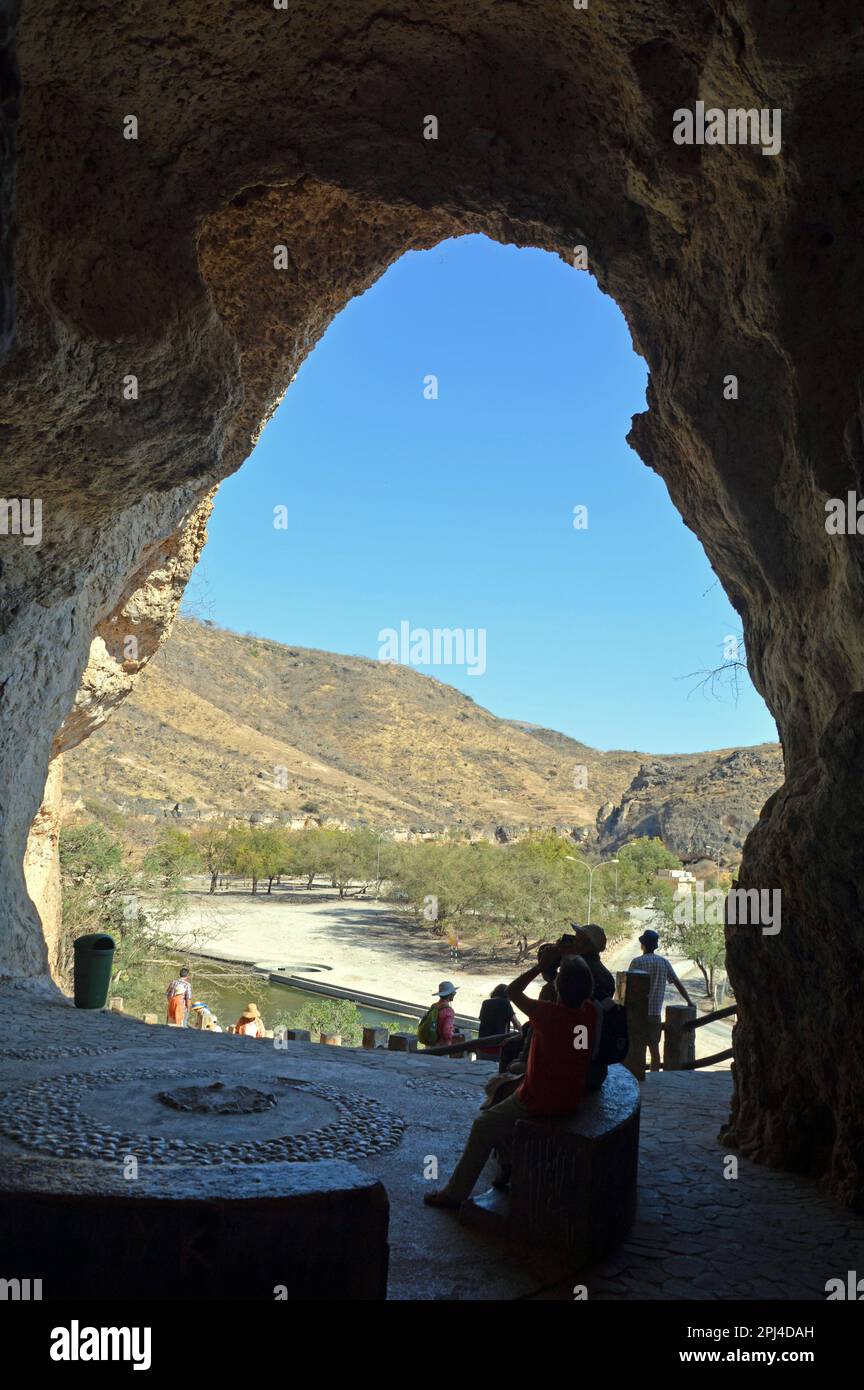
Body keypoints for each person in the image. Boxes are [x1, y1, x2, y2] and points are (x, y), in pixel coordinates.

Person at [424, 950, 597, 1209]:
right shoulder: (589, 1014)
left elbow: (514, 991)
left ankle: (455, 1193)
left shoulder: (546, 1014)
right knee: (502, 1091)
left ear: (558, 986)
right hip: (570, 1096)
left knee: (484, 1123)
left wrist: (541, 967)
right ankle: (508, 1164)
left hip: (538, 1099)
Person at [628, 928, 693, 1071]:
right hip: (654, 1014)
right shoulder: (663, 962)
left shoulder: (636, 962)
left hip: (638, 1014)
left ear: (642, 945)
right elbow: (676, 982)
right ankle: (654, 1079)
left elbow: (628, 987)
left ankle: (638, 1079)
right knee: (654, 1051)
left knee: (637, 1050)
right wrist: (689, 1001)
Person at [561, 924, 616, 1000]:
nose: (574, 943)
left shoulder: (578, 970)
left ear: (589, 945)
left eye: (578, 940)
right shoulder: (606, 974)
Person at [477, 984, 518, 1059]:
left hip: (482, 1045)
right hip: (498, 1046)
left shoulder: (485, 1003)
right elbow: (516, 1023)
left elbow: (483, 1020)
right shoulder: (506, 1003)